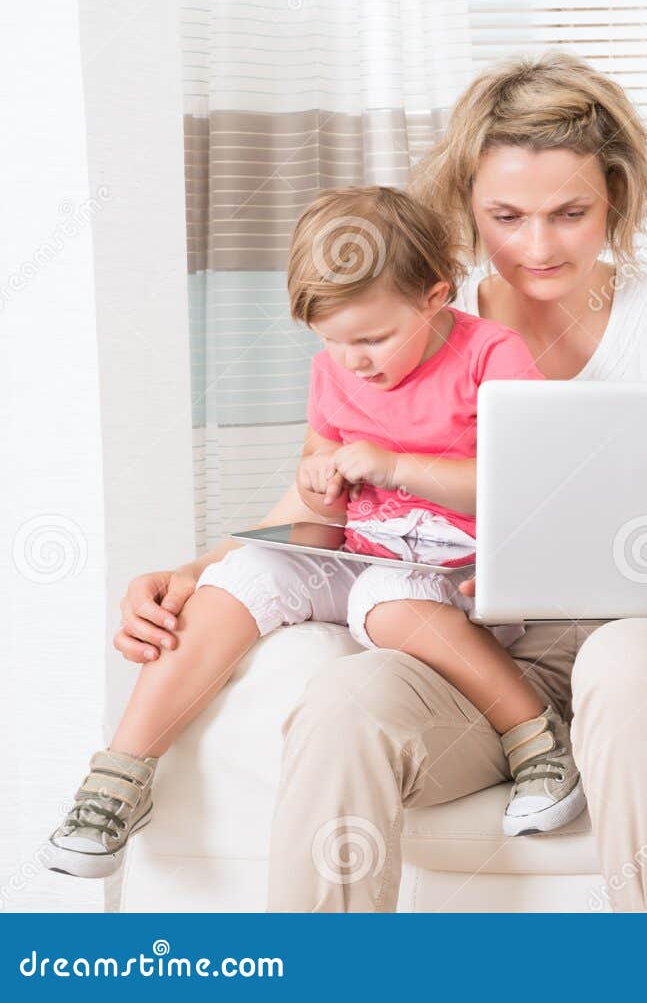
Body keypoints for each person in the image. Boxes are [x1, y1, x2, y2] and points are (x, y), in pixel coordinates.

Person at [111, 52, 647, 911]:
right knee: (347, 696)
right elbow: (324, 502)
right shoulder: (408, 327)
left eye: (571, 213)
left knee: (622, 656)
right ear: (466, 206)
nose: (538, 245)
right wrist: (197, 572)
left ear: (618, 197)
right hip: (478, 646)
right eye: (507, 216)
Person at [47, 186, 585, 878]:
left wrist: (397, 466)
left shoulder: (491, 355)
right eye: (333, 341)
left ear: (434, 296)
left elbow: (528, 486)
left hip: (463, 575)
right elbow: (314, 515)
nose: (353, 360)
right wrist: (287, 507)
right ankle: (119, 776)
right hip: (361, 557)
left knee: (383, 594)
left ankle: (537, 741)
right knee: (238, 577)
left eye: (372, 338)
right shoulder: (334, 371)